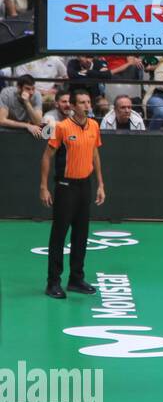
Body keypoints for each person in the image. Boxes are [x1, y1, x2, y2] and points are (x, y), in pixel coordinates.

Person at [40, 87, 106, 300]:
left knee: (81, 234)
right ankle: (53, 282)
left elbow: (95, 154)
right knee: (59, 235)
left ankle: (76, 279)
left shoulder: (94, 125)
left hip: (84, 186)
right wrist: (43, 186)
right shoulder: (60, 127)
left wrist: (101, 184)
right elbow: (47, 156)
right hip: (65, 187)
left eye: (89, 102)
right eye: (83, 103)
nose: (88, 106)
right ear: (73, 106)